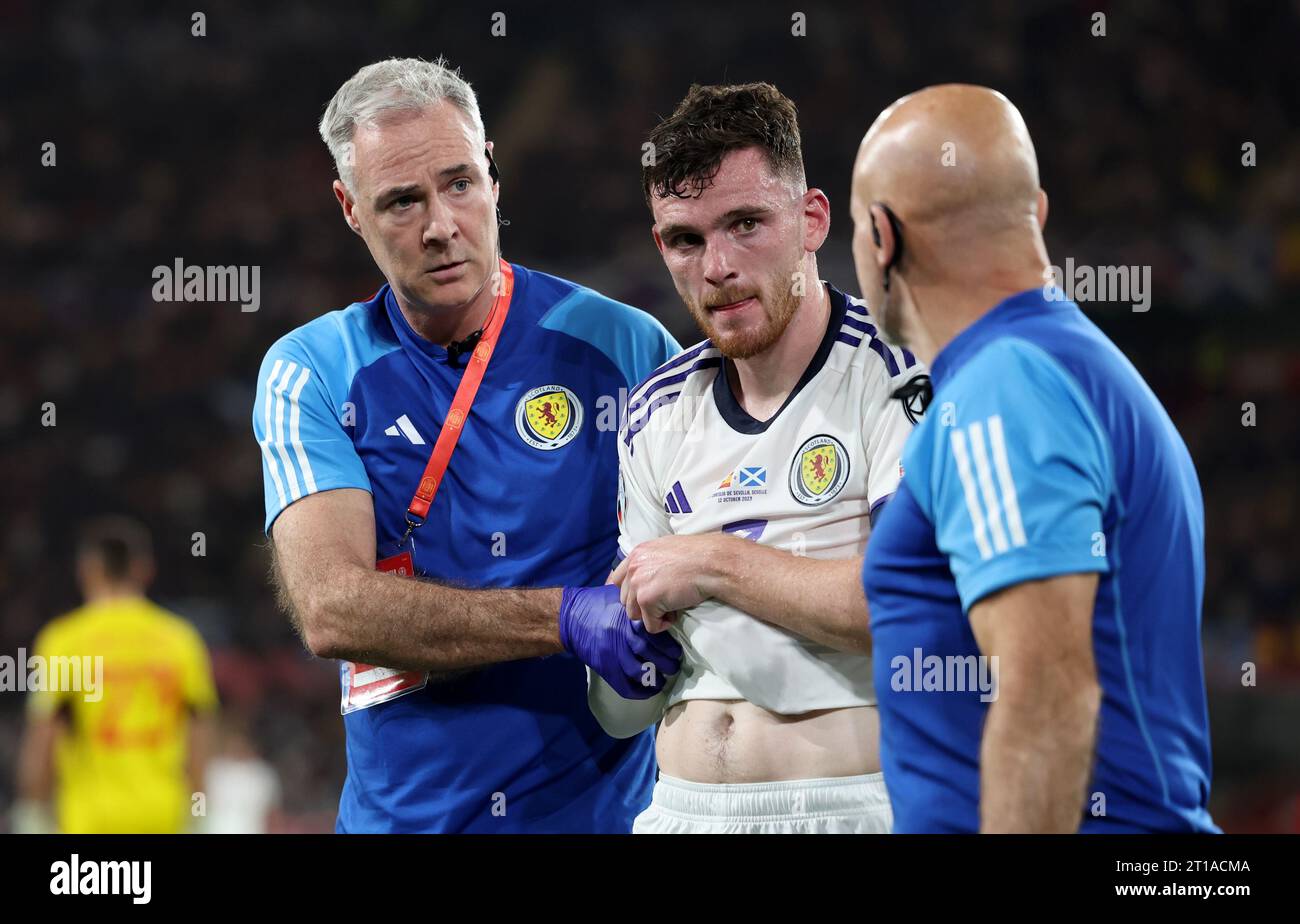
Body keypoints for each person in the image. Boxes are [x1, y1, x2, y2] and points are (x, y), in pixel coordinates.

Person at [255, 56, 682, 833]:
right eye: (401, 202)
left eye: (458, 183)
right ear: (350, 208)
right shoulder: (311, 372)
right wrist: (565, 619)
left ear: (493, 175)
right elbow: (331, 607)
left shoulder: (625, 346)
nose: (441, 226)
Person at [855, 84, 1219, 833]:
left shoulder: (1000, 390)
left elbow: (1047, 694)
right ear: (1038, 215)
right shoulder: (1070, 368)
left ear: (882, 236)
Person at [600, 83, 926, 834]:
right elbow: (627, 708)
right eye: (686, 238)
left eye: (745, 224)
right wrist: (613, 652)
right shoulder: (652, 412)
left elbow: (904, 603)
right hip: (679, 810)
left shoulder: (897, 376)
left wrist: (711, 563)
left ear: (811, 220)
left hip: (848, 809)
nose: (716, 266)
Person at [15, 516, 217, 834]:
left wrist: (32, 812)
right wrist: (202, 809)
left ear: (87, 570)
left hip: (89, 819)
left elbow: (44, 734)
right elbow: (198, 734)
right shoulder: (180, 639)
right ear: (145, 569)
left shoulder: (64, 640)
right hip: (163, 815)